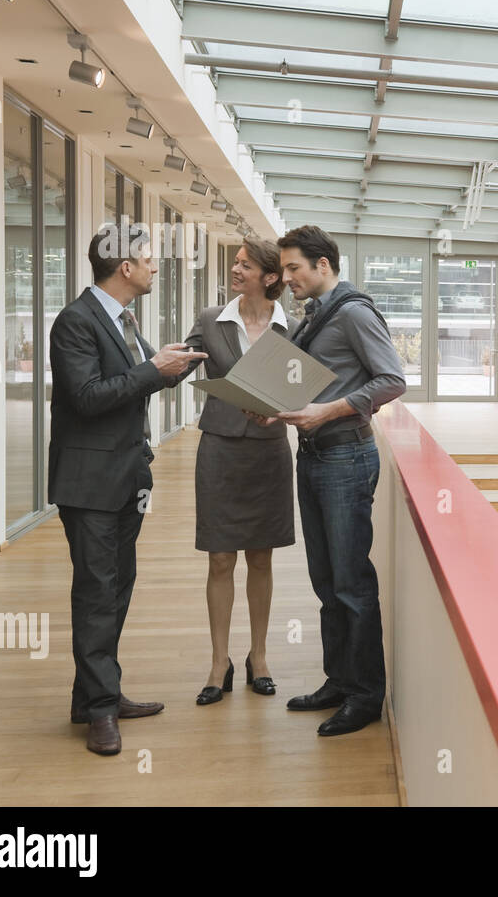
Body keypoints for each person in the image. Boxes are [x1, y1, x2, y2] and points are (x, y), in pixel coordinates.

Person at [48, 224, 207, 755]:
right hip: (89, 483)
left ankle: (95, 696)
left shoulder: (123, 319)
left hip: (126, 478)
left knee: (115, 589)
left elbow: (137, 380)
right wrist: (151, 368)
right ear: (124, 267)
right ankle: (99, 713)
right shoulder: (76, 320)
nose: (155, 267)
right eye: (149, 259)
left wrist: (177, 364)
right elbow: (89, 397)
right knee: (96, 594)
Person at [267, 225, 406, 736]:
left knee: (350, 584)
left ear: (323, 265)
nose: (286, 279)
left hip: (345, 458)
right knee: (326, 582)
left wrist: (326, 412)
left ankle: (367, 696)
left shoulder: (352, 313)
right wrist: (278, 409)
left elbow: (392, 379)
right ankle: (339, 680)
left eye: (293, 269)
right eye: (283, 270)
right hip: (316, 454)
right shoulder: (317, 315)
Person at [182, 237, 298, 705]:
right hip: (220, 451)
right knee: (219, 558)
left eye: (245, 265)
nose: (235, 270)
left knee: (262, 558)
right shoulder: (212, 320)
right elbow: (182, 362)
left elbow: (300, 385)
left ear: (270, 278)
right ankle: (218, 662)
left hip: (269, 453)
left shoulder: (295, 327)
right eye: (235, 263)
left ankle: (260, 657)